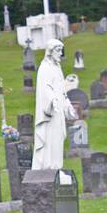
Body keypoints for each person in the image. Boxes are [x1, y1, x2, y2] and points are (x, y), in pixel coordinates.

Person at [33, 40, 74, 170]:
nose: (60, 53)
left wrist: (67, 104)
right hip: (50, 112)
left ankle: (57, 167)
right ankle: (48, 167)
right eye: (58, 50)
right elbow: (45, 88)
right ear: (50, 52)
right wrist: (52, 101)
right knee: (50, 138)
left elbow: (62, 90)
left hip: (58, 111)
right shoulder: (45, 68)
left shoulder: (57, 68)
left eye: (61, 50)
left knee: (58, 138)